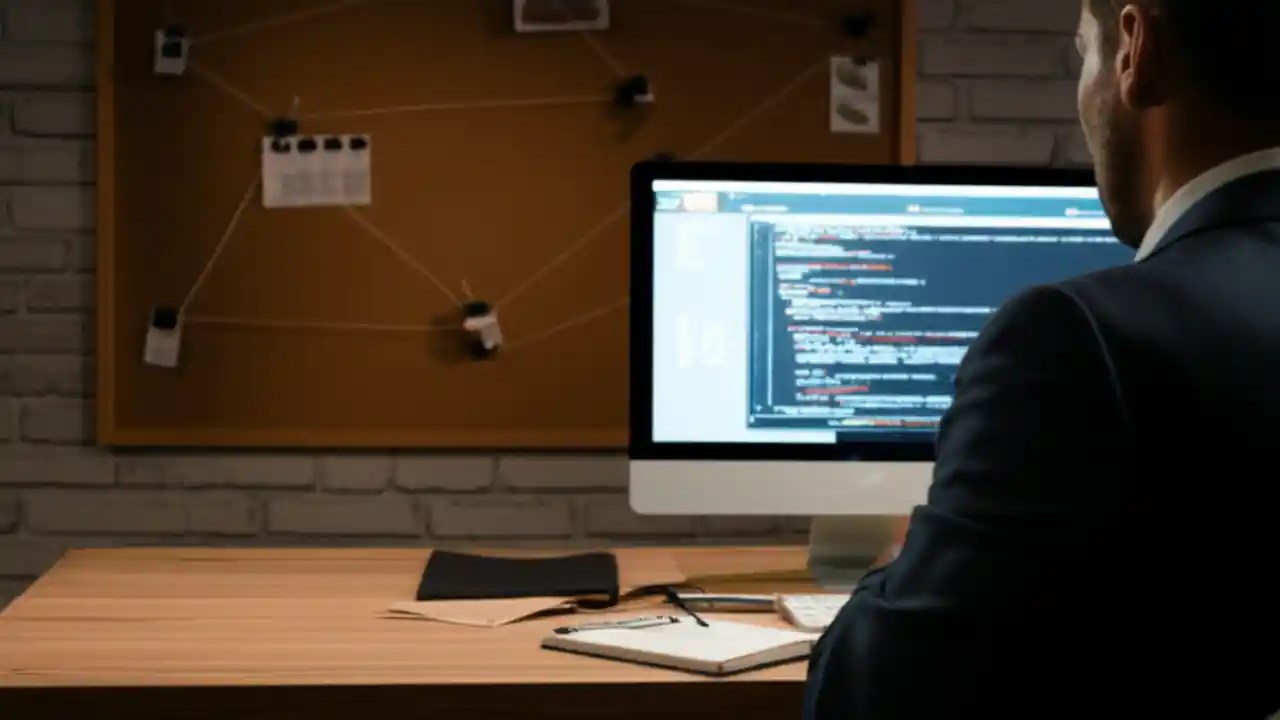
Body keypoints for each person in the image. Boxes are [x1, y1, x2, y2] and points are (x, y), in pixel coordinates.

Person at [803, 1, 1280, 717]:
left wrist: (899, 568)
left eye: (1081, 55)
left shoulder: (1075, 338)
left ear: (1134, 50)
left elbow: (876, 694)